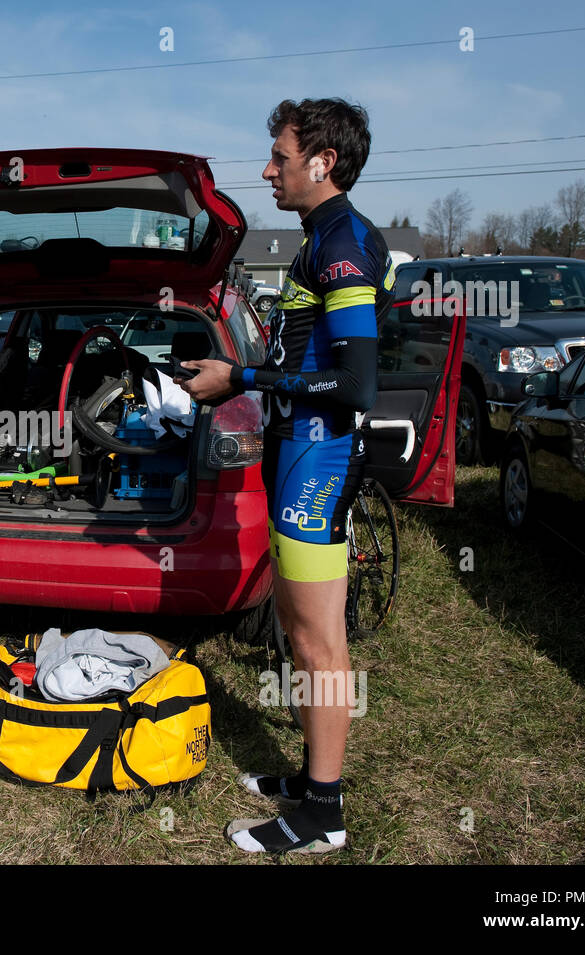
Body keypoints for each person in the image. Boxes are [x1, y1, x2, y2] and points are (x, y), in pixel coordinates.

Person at [179, 98, 394, 853]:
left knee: (316, 641)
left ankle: (322, 813)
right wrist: (239, 379)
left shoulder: (342, 244)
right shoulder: (318, 240)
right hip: (299, 450)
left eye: (280, 154)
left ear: (322, 160)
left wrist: (242, 374)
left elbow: (356, 384)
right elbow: (303, 363)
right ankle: (311, 778)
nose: (268, 169)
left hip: (320, 458)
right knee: (302, 634)